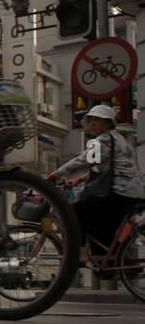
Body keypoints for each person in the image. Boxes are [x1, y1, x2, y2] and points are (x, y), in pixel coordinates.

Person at [48, 104, 145, 258]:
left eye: (97, 121)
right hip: (132, 195)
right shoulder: (121, 140)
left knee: (74, 212)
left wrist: (55, 175)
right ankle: (113, 262)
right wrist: (80, 179)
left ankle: (79, 254)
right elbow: (107, 167)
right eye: (91, 121)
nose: (92, 124)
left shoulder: (103, 140)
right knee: (100, 228)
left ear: (108, 123)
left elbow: (82, 160)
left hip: (117, 193)